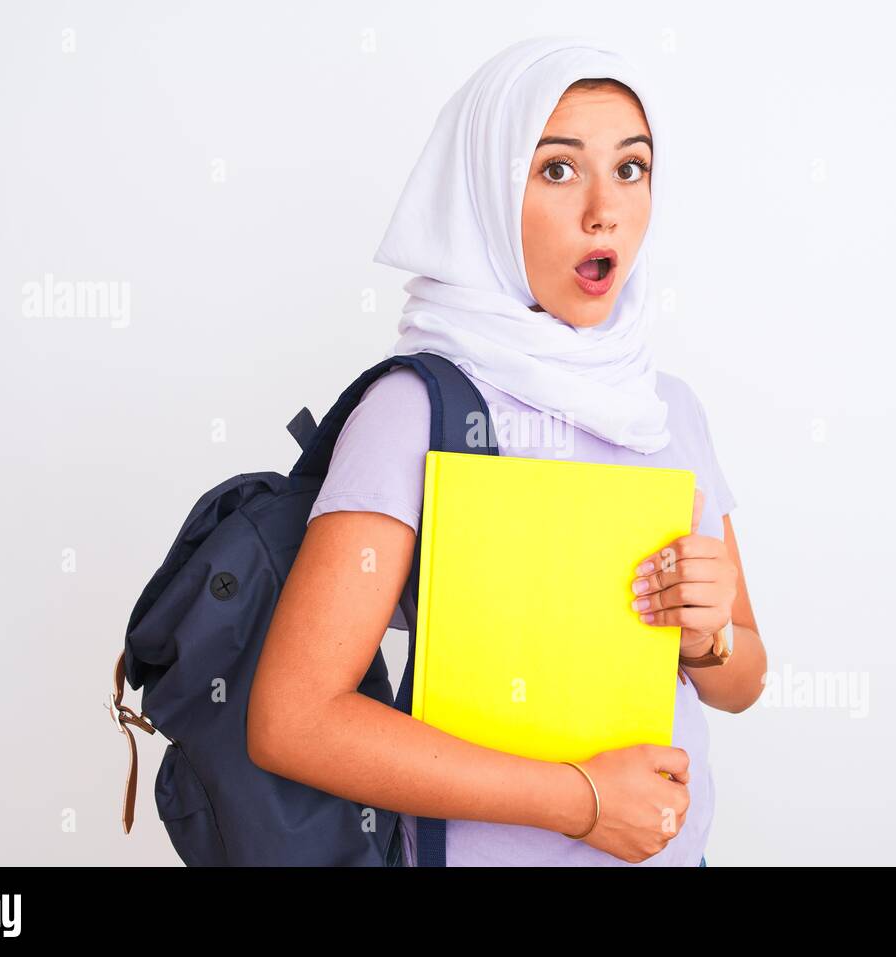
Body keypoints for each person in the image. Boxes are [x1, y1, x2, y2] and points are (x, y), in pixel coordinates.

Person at [247, 34, 766, 867]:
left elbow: (743, 682)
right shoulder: (416, 408)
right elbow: (293, 719)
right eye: (557, 169)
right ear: (485, 192)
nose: (604, 208)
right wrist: (583, 802)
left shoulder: (666, 408)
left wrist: (711, 637)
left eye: (631, 168)